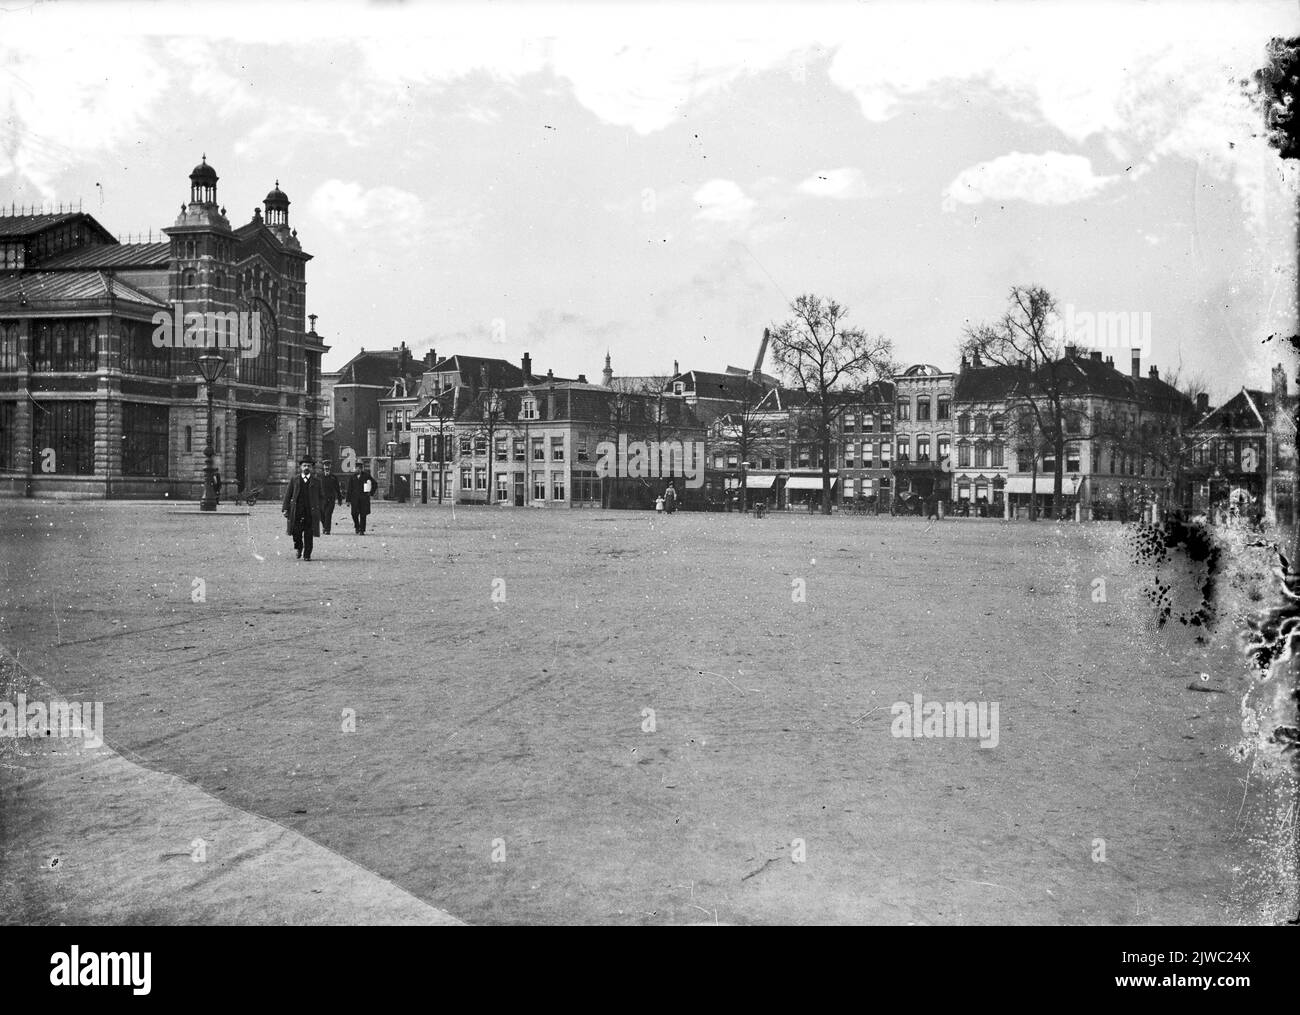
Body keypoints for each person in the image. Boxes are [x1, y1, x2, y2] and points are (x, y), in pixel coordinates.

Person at [282, 458, 323, 561]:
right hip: (297, 512)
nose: (306, 468)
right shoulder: (294, 479)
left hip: (310, 512)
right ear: (301, 467)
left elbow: (321, 497)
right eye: (304, 465)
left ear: (312, 468)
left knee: (309, 534)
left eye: (308, 466)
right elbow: (288, 495)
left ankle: (307, 554)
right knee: (296, 533)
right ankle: (299, 547)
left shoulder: (317, 481)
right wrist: (285, 508)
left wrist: (319, 509)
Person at [347, 464, 376, 535]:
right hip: (354, 499)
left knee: (363, 514)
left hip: (364, 499)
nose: (357, 469)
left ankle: (362, 530)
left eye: (359, 468)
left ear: (361, 469)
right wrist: (348, 500)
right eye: (356, 468)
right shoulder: (352, 477)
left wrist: (371, 492)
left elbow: (375, 484)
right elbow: (349, 489)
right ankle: (357, 526)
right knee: (354, 514)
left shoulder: (366, 476)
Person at [318, 461, 342, 535]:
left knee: (328, 514)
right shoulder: (319, 477)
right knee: (322, 515)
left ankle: (327, 529)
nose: (327, 467)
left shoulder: (333, 477)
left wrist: (339, 499)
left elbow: (337, 489)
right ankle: (324, 526)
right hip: (321, 499)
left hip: (331, 499)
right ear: (323, 467)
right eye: (325, 466)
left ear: (330, 467)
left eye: (328, 466)